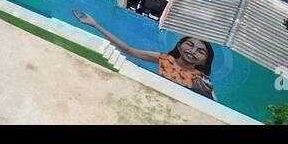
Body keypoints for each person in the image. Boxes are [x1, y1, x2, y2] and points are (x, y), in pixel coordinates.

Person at [71, 10, 216, 99]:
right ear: (179, 46)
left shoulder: (202, 80)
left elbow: (216, 108)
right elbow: (129, 50)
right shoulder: (164, 60)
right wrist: (96, 25)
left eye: (201, 52)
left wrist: (204, 94)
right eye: (190, 45)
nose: (192, 51)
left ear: (204, 61)